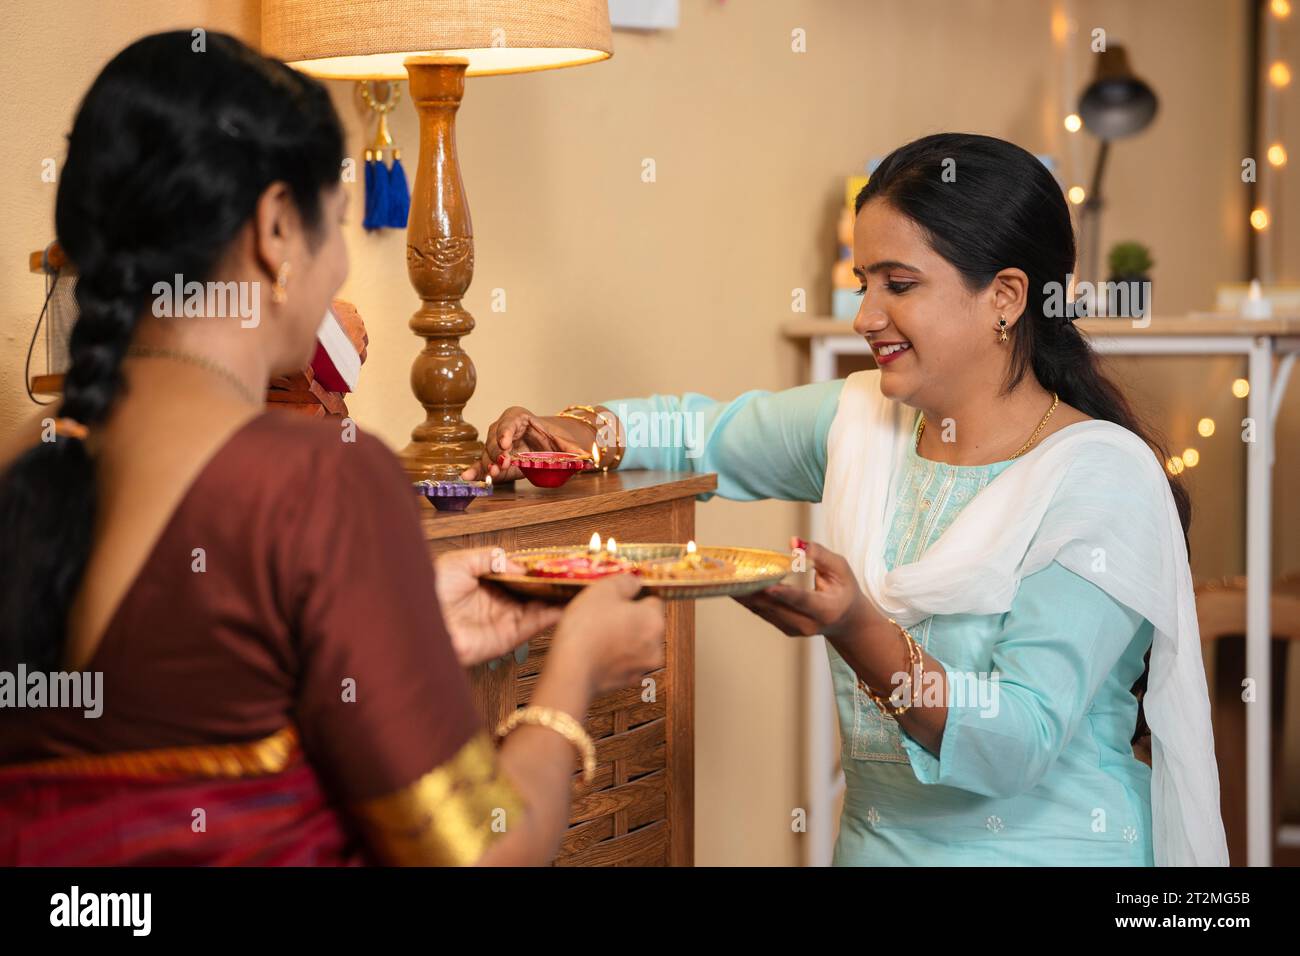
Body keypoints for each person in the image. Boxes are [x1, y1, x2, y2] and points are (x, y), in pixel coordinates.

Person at [464, 133, 1229, 866]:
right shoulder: (866, 422)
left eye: (899, 285)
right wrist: (583, 430)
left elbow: (1017, 741)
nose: (866, 316)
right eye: (865, 282)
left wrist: (861, 629)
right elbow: (706, 433)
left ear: (1004, 297)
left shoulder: (1100, 479)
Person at [0, 31, 664, 867]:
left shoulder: (26, 472)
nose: (343, 261)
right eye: (338, 226)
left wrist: (401, 614)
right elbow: (484, 853)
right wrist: (573, 674)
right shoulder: (324, 480)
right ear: (278, 227)